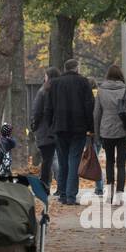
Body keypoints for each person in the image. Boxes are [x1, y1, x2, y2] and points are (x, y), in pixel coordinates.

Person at [41, 58, 94, 206]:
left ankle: (63, 194)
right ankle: (71, 195)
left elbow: (48, 107)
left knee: (63, 161)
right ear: (77, 68)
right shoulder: (83, 82)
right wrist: (91, 128)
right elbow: (89, 106)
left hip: (59, 127)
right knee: (74, 160)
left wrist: (50, 125)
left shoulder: (55, 83)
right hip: (78, 127)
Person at [93, 64, 126, 204]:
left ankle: (109, 194)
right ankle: (119, 195)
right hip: (123, 130)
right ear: (120, 75)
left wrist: (97, 133)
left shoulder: (101, 90)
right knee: (121, 163)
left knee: (109, 162)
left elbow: (96, 113)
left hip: (106, 130)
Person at [31, 67, 60, 196]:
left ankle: (44, 186)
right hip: (60, 130)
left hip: (45, 131)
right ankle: (62, 186)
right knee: (60, 159)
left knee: (47, 161)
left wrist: (34, 125)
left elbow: (37, 111)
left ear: (48, 77)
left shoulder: (43, 91)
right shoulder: (61, 91)